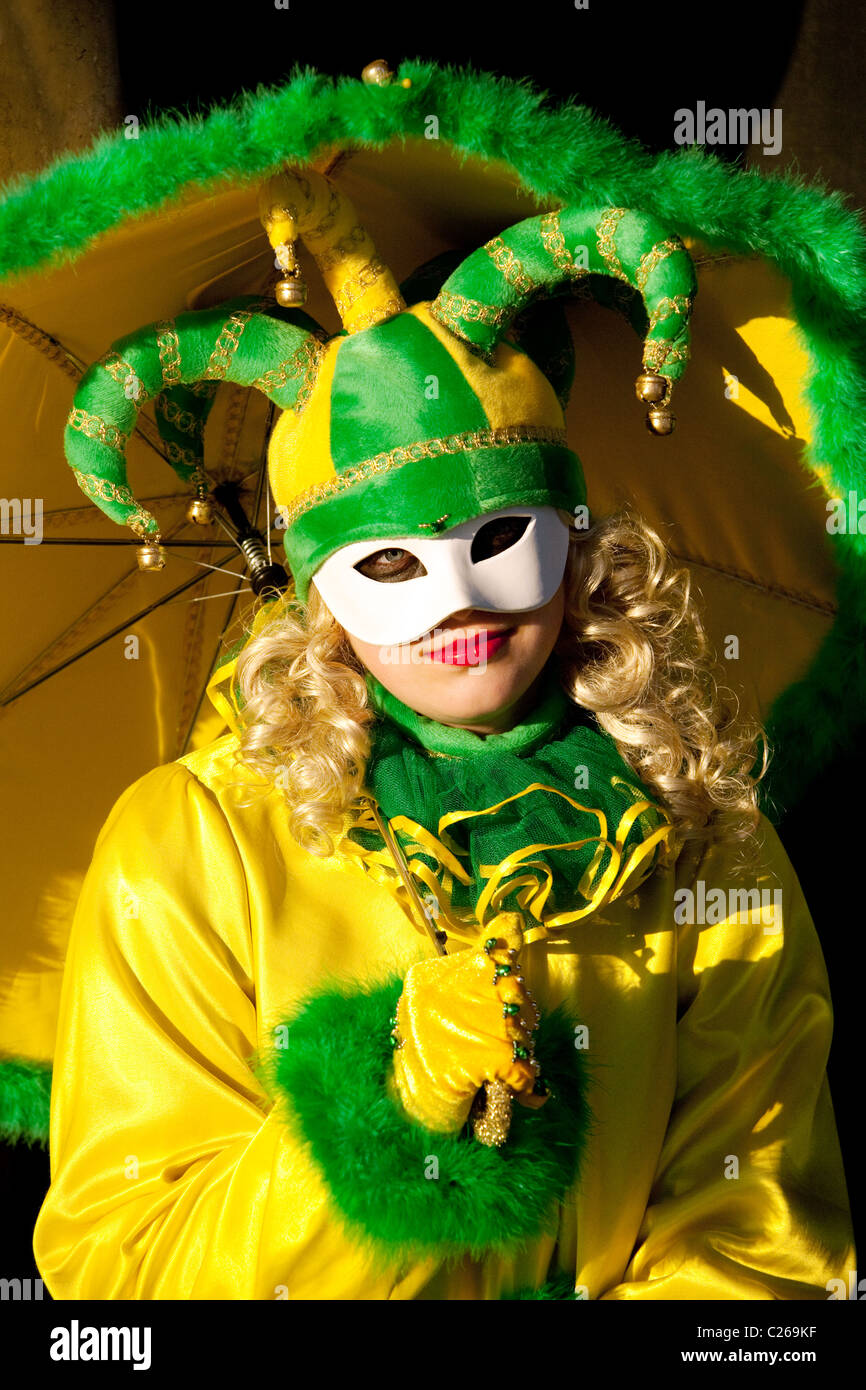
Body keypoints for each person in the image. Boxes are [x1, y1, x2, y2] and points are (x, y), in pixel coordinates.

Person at [32, 168, 856, 1299]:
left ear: (576, 548)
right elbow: (124, 1279)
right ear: (315, 593)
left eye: (499, 536)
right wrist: (381, 1119)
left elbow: (762, 1249)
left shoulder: (707, 845)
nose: (457, 603)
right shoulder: (185, 847)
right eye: (386, 564)